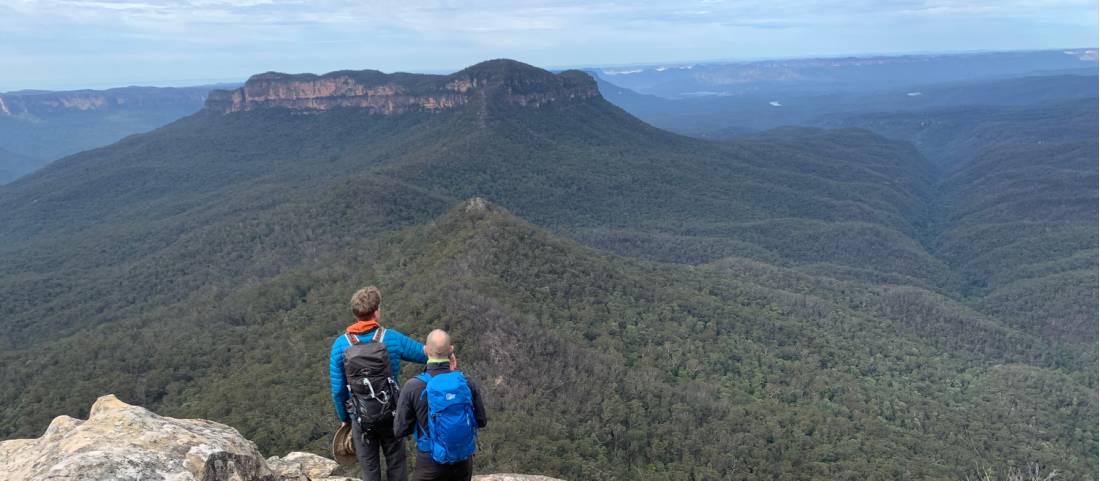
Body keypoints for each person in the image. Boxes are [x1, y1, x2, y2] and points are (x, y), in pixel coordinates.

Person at [330, 286, 428, 481]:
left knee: (370, 470)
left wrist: (345, 418)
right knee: (397, 466)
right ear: (376, 312)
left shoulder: (341, 345)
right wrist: (446, 353)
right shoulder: (391, 339)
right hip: (392, 413)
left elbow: (338, 390)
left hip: (360, 417)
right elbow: (424, 353)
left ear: (356, 314)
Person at [394, 329, 488, 481]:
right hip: (463, 462)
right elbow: (481, 421)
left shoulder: (413, 386)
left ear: (426, 350)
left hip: (429, 464)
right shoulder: (465, 383)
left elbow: (400, 430)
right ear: (451, 350)